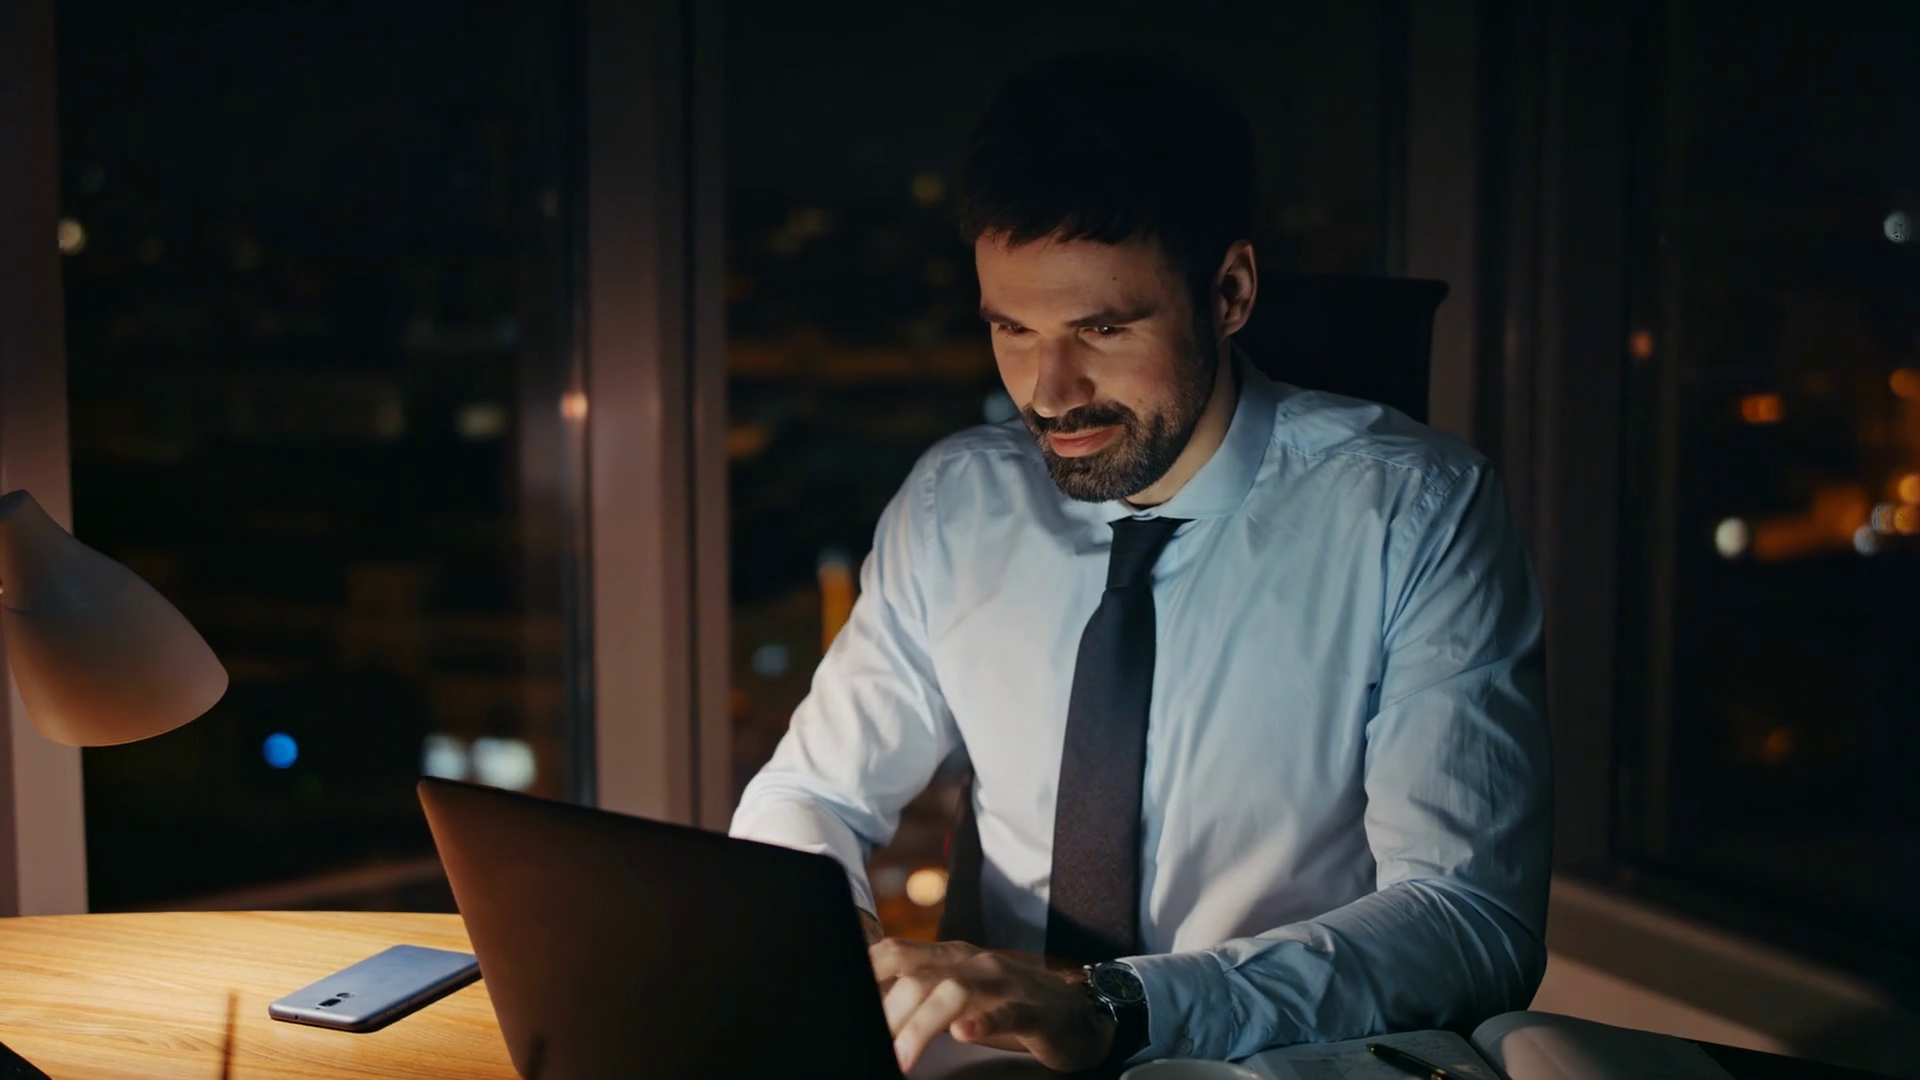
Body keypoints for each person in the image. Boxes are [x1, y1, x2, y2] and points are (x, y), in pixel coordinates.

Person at [729, 52, 1551, 1075]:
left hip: (1272, 1061)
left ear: (1231, 291)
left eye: (1103, 329)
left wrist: (1115, 1003)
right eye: (1012, 331)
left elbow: (1470, 920)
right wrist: (827, 947)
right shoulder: (957, 504)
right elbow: (811, 793)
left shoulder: (1419, 513)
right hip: (995, 1062)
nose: (1049, 391)